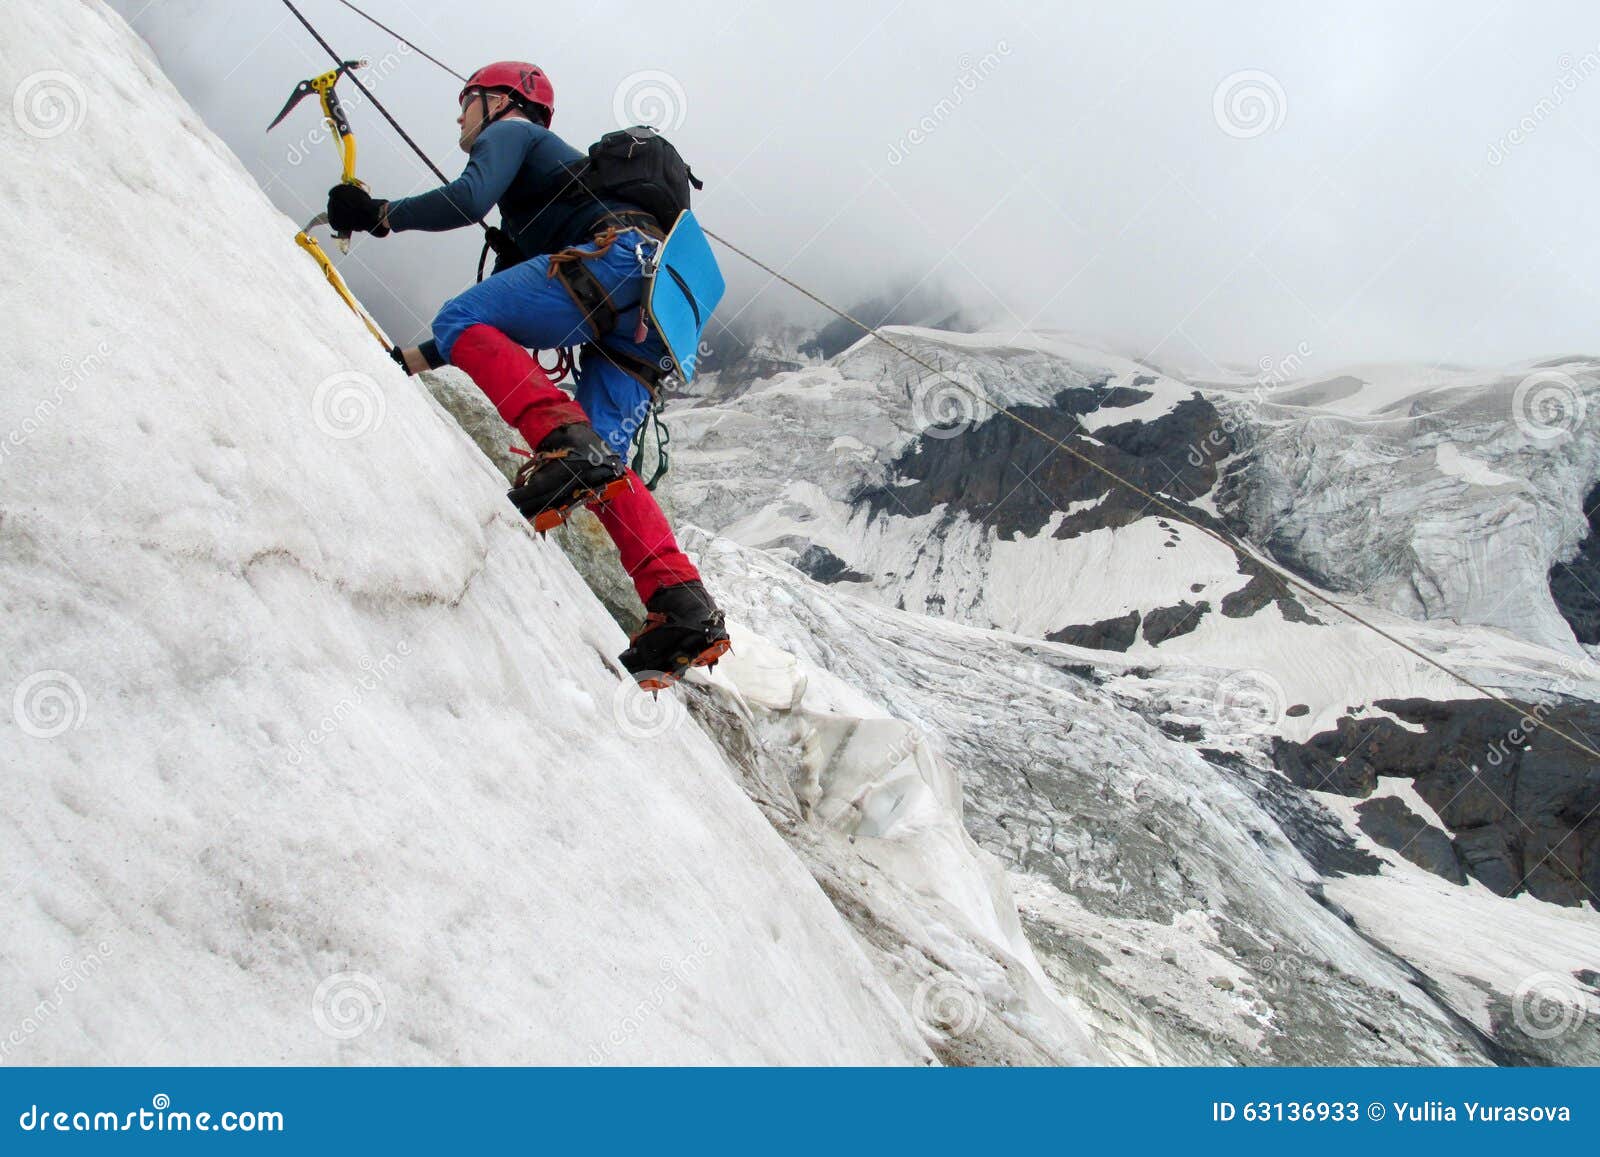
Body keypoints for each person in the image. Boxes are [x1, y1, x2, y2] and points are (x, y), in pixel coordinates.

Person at [325, 62, 728, 688]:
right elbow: (475, 340)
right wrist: (408, 363)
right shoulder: (555, 184)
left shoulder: (512, 133)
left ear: (502, 101)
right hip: (650, 313)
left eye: (468, 100)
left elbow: (465, 202)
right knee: (607, 474)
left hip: (611, 262)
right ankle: (682, 606)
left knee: (463, 315)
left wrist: (378, 213)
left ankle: (564, 445)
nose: (460, 115)